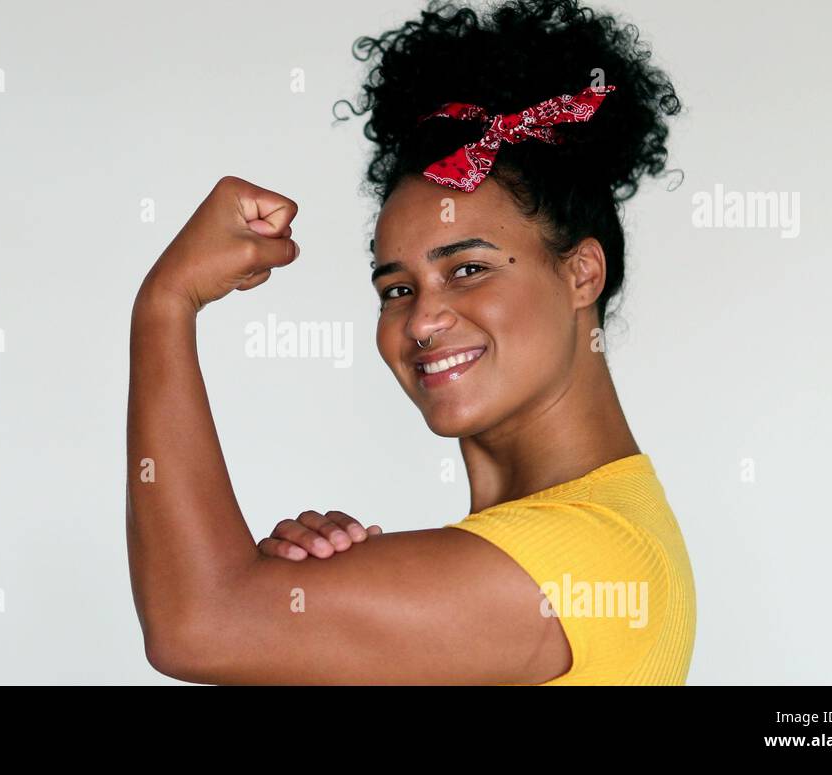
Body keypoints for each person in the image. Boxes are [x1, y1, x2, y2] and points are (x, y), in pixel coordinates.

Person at [126, 0, 695, 684]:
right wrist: (296, 601)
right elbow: (225, 616)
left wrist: (165, 305)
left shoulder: (596, 556)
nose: (422, 320)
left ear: (582, 273)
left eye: (467, 269)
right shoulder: (547, 546)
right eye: (396, 288)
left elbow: (200, 621)